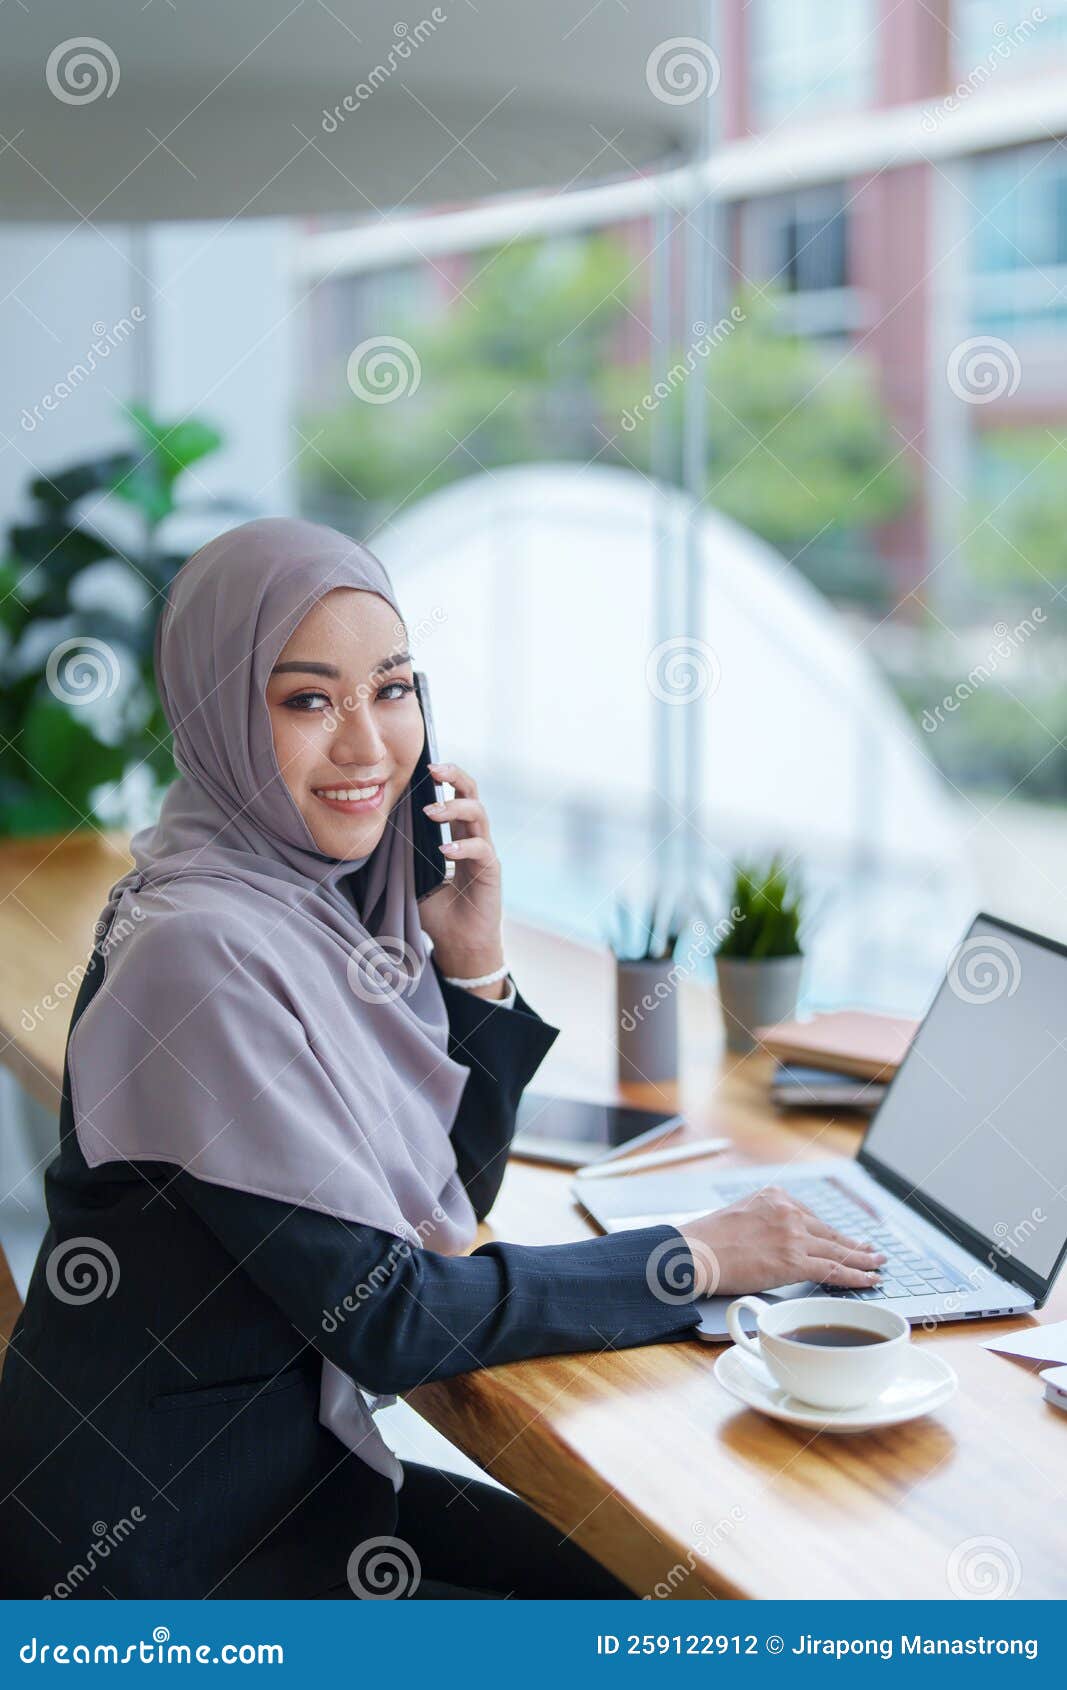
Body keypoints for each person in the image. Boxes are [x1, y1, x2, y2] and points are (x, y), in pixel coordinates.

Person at [0, 518, 883, 1600]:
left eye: (393, 687)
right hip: (166, 1566)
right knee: (671, 1607)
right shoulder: (203, 953)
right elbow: (388, 1313)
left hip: (280, 1491)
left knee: (647, 1582)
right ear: (219, 714)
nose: (371, 746)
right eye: (307, 699)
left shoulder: (286, 911)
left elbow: (440, 1211)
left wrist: (470, 968)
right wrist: (689, 1257)